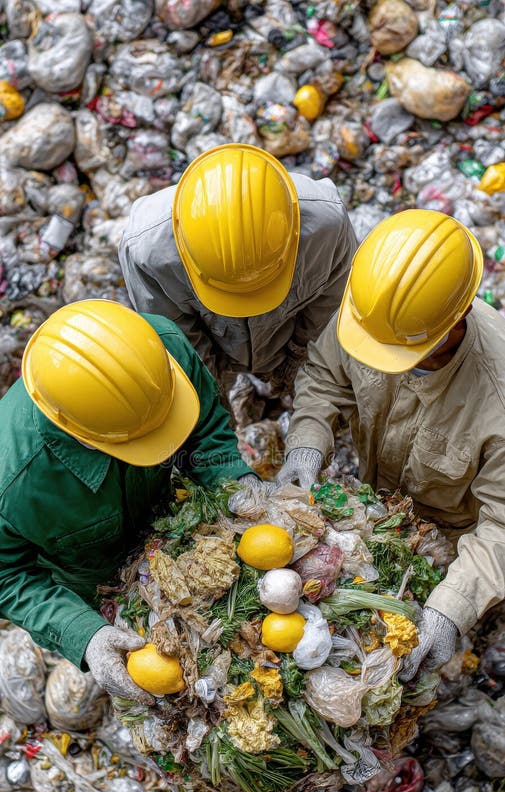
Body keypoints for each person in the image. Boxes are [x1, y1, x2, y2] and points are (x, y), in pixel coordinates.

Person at [276, 208, 504, 680]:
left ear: (454, 320)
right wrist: (307, 443)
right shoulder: (374, 312)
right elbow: (324, 378)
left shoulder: (496, 399)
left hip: (452, 540)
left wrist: (450, 609)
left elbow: (500, 529)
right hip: (377, 504)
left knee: (419, 659)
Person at [0, 300, 257, 704]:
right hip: (92, 574)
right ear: (81, 435)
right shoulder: (12, 479)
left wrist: (235, 485)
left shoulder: (159, 352)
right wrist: (85, 635)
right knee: (143, 680)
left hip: (172, 532)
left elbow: (205, 430)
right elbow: (7, 577)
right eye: (136, 442)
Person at [119, 142, 357, 400]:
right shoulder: (148, 252)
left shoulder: (327, 227)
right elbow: (180, 338)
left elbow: (330, 306)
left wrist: (300, 356)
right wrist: (211, 397)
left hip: (284, 337)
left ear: (294, 233)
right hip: (218, 344)